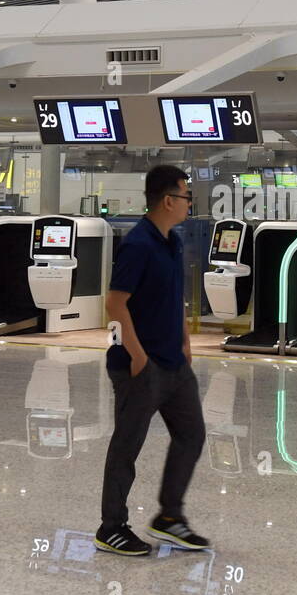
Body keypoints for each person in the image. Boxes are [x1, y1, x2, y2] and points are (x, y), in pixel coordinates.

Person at [95, 165, 208, 556]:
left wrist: (185, 342)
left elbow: (174, 298)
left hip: (173, 363)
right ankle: (111, 527)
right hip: (139, 366)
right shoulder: (138, 243)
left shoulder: (172, 242)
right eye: (186, 197)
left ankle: (169, 516)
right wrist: (137, 357)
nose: (189, 204)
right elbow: (114, 304)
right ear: (167, 200)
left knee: (192, 434)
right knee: (127, 446)